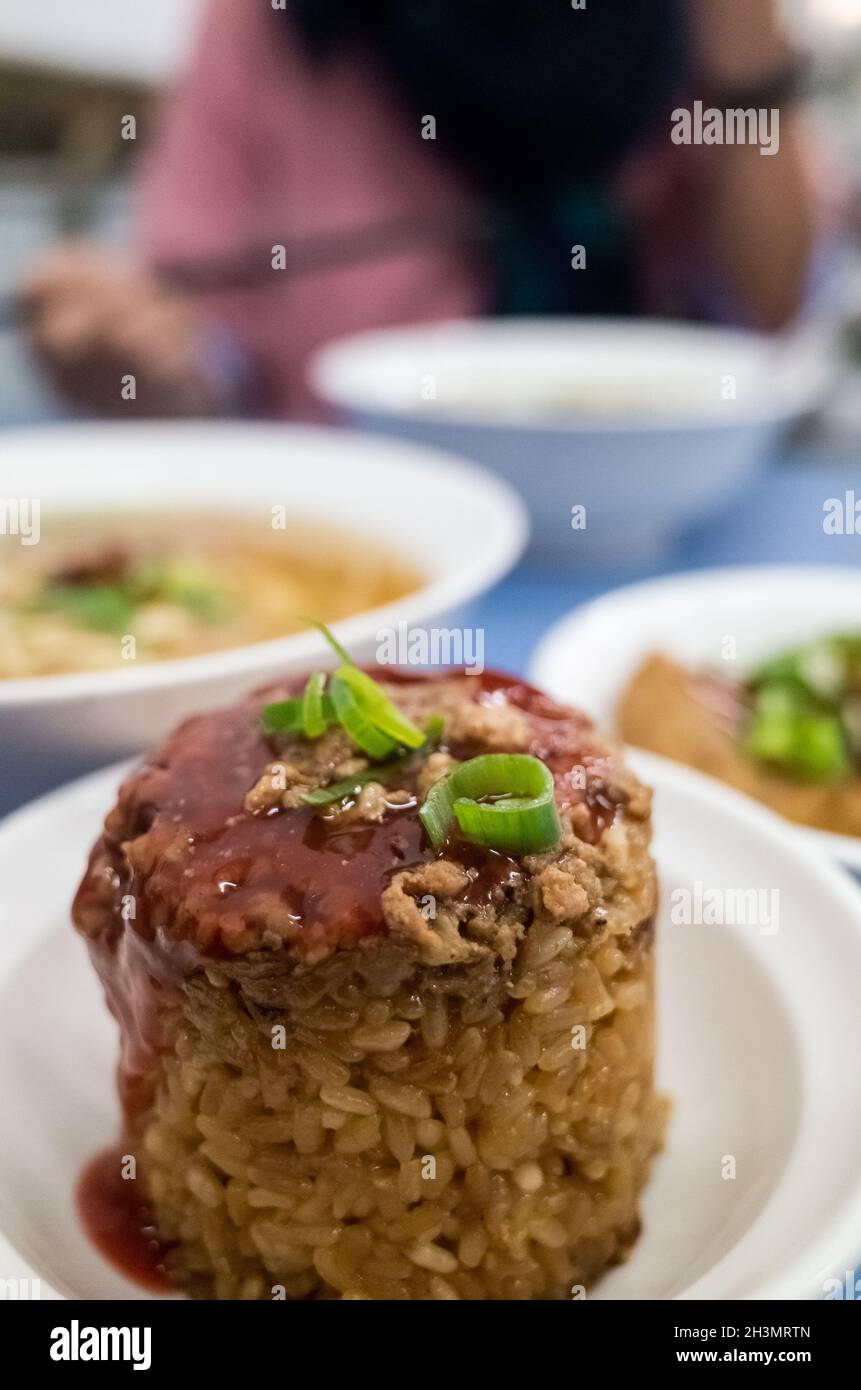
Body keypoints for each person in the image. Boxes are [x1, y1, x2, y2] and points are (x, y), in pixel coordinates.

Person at [24, 0, 822, 419]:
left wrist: (747, 55)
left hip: (662, 515)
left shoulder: (687, 30)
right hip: (346, 522)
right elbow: (204, 355)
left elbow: (768, 302)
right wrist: (134, 356)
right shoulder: (273, 19)